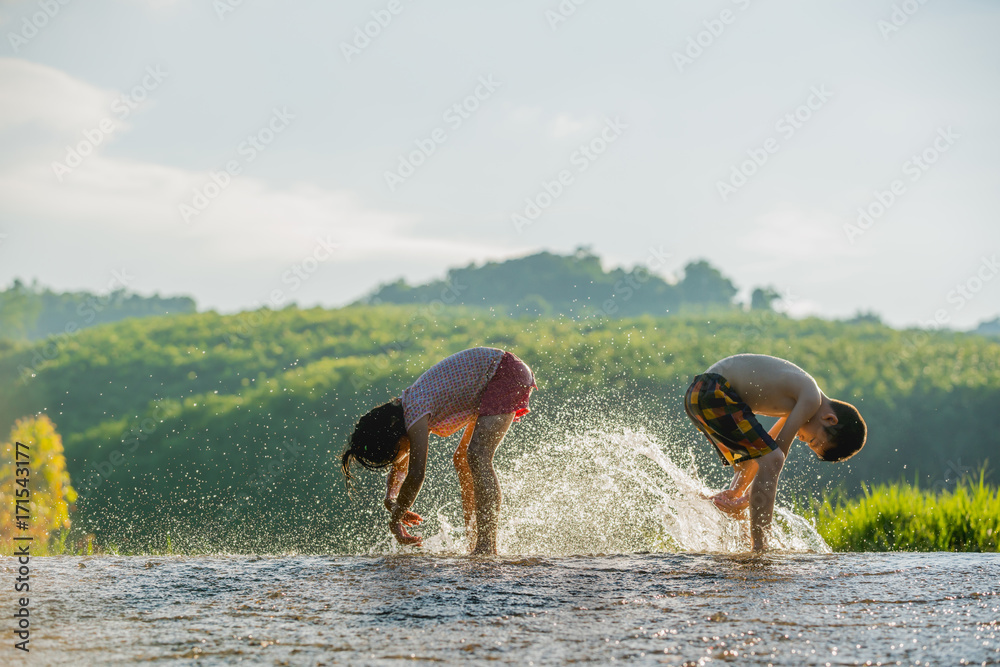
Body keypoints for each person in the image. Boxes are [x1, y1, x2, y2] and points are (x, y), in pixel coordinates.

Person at [341, 347, 536, 555]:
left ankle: (486, 548)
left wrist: (396, 518)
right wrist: (391, 497)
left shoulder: (414, 415)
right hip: (493, 376)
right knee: (462, 459)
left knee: (477, 456)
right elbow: (401, 465)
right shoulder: (404, 411)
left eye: (393, 454)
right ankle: (473, 542)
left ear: (393, 435)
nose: (397, 461)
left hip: (503, 373)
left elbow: (416, 474)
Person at [683, 353, 866, 551]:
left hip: (700, 394)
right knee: (773, 459)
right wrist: (746, 499)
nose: (803, 440)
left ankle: (728, 512)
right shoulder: (811, 397)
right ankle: (761, 548)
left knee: (756, 461)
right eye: (813, 440)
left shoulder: (803, 400)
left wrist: (738, 493)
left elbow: (762, 454)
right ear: (830, 419)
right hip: (714, 391)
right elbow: (778, 454)